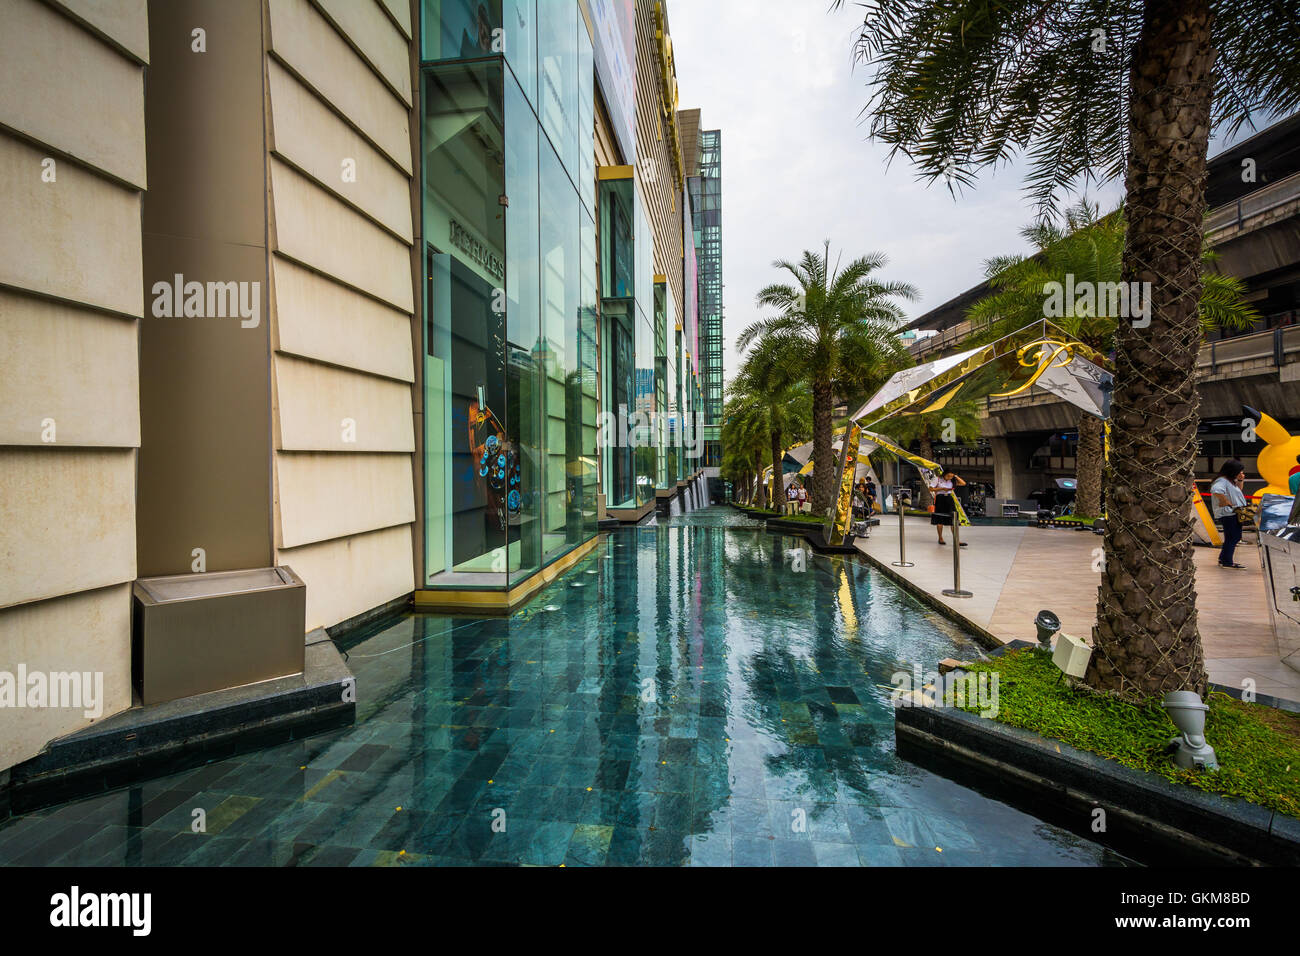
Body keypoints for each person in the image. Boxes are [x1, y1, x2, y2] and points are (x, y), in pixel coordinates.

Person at [1211, 459, 1249, 569]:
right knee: (1233, 537)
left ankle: (1223, 558)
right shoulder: (1222, 481)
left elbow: (1239, 490)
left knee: (1233, 537)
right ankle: (1227, 561)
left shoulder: (1230, 480)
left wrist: (1240, 480)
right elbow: (1216, 490)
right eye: (1240, 472)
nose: (1242, 474)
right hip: (1228, 514)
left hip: (1234, 513)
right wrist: (1224, 501)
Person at [929, 469, 967, 545]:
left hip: (949, 499)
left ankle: (956, 539)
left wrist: (955, 476)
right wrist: (942, 489)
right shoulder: (938, 479)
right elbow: (930, 488)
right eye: (948, 476)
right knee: (940, 519)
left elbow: (963, 483)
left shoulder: (952, 481)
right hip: (940, 498)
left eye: (951, 476)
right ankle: (940, 538)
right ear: (944, 474)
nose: (949, 477)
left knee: (953, 519)